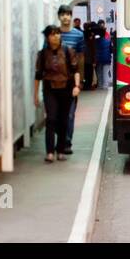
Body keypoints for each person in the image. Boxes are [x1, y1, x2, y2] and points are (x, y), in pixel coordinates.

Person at [34, 26, 80, 162]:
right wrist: (35, 95)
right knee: (51, 119)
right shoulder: (42, 54)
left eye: (58, 34)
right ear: (47, 37)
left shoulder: (68, 51)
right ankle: (49, 152)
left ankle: (60, 150)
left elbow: (75, 70)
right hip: (50, 89)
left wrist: (77, 86)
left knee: (63, 119)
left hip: (66, 89)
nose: (56, 37)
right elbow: (37, 75)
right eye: (52, 34)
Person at [57, 9, 85, 151]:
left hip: (71, 80)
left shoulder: (79, 35)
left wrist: (79, 83)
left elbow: (80, 60)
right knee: (56, 115)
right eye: (62, 15)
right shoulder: (54, 34)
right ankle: (61, 140)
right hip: (55, 81)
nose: (65, 17)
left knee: (69, 114)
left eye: (68, 14)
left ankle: (66, 143)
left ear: (71, 16)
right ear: (59, 17)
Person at [95, 23, 113, 89]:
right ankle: (105, 86)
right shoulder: (108, 41)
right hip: (106, 59)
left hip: (98, 59)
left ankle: (100, 85)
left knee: (99, 73)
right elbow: (111, 50)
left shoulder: (95, 41)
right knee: (105, 73)